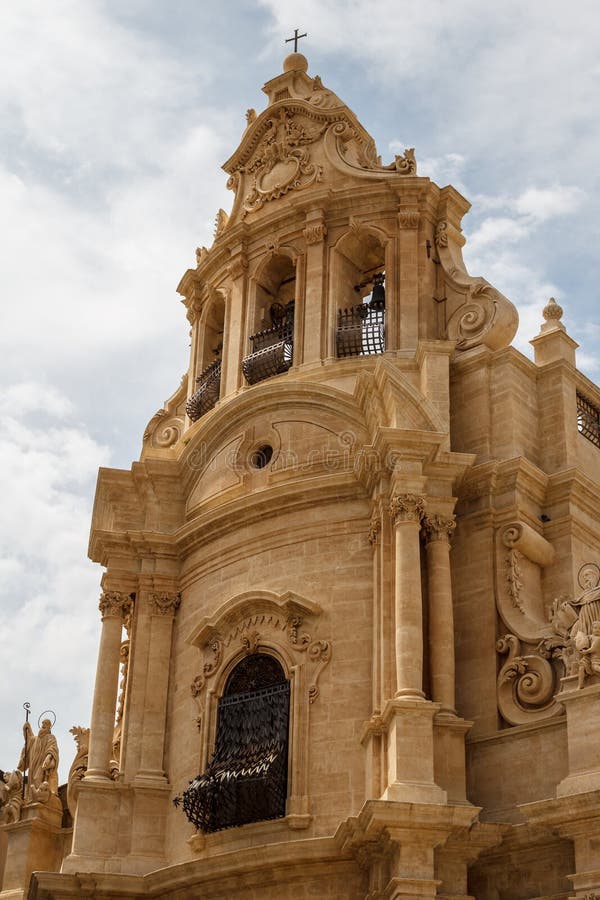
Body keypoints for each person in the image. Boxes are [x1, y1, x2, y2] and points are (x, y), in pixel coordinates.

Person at [18, 718, 59, 799]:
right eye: (43, 723)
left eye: (46, 723)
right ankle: (32, 799)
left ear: (49, 727)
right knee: (32, 782)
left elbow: (53, 748)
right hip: (33, 766)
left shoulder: (50, 737)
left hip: (42, 764)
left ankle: (39, 798)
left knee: (38, 779)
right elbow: (29, 739)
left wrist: (48, 757)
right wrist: (27, 729)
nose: (43, 725)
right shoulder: (36, 739)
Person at [578, 621, 600, 689]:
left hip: (595, 659)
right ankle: (580, 684)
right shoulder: (590, 637)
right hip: (588, 658)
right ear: (592, 628)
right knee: (581, 668)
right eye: (595, 628)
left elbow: (593, 649)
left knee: (595, 667)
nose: (597, 630)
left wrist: (585, 652)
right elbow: (583, 640)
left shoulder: (598, 639)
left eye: (599, 628)